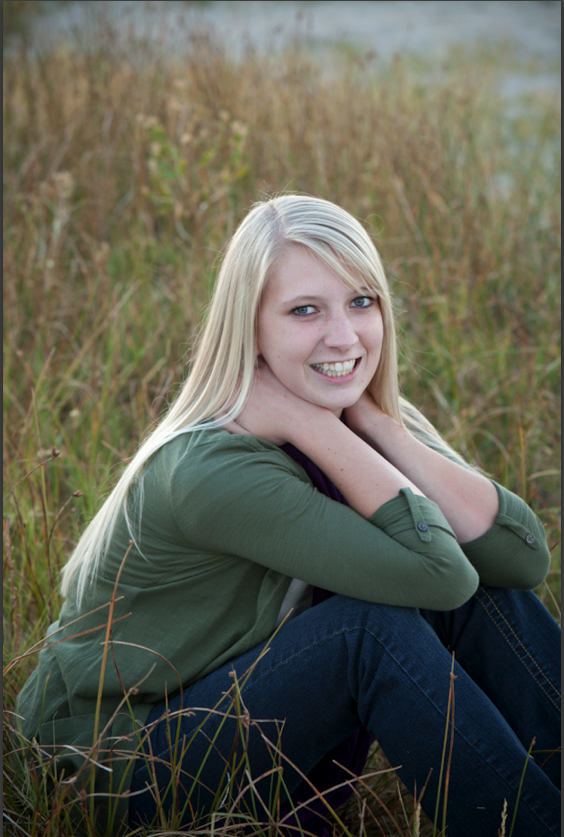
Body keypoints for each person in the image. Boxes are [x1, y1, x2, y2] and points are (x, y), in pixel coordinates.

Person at [17, 195, 560, 837]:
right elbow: (440, 574)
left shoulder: (350, 409)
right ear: (249, 330)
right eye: (305, 310)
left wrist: (383, 425)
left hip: (238, 720)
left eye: (362, 302)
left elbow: (519, 561)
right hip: (114, 772)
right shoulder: (212, 468)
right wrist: (310, 420)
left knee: (480, 586)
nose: (343, 337)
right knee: (367, 631)